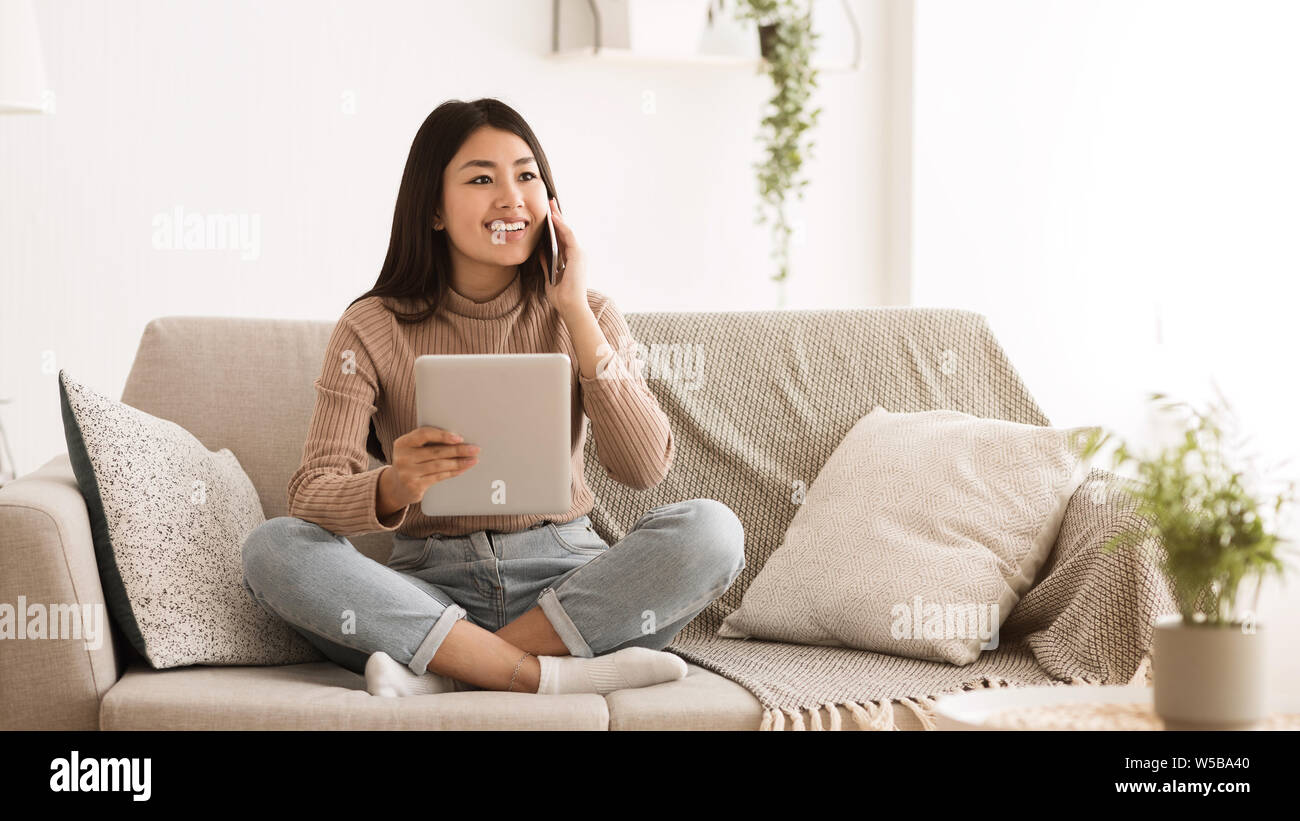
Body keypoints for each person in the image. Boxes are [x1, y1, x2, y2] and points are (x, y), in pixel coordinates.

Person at [241, 98, 746, 698]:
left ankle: (447, 671)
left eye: (527, 176)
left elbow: (644, 468)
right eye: (482, 178)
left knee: (713, 530)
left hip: (569, 584)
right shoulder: (370, 327)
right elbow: (310, 494)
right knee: (272, 548)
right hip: (427, 589)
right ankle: (544, 675)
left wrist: (576, 313)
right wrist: (394, 485)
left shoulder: (591, 313)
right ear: (432, 208)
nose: (511, 198)